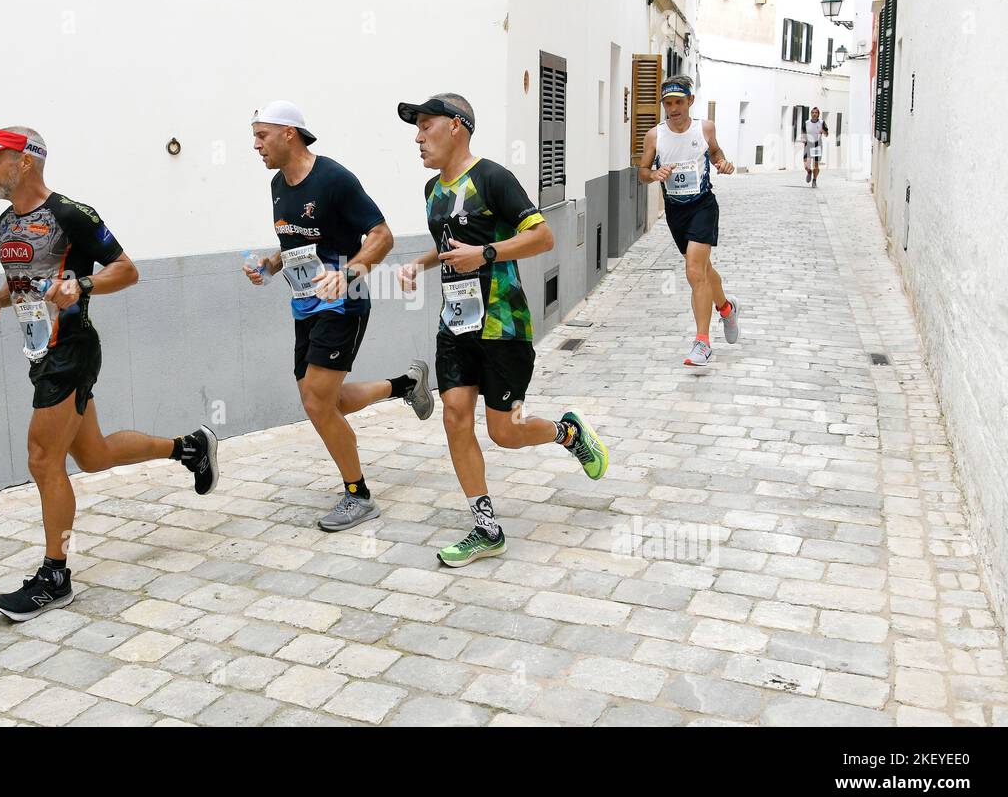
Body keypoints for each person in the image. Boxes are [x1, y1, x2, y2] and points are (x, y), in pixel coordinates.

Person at [0, 126, 217, 621]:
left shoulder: (71, 214)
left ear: (25, 162)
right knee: (95, 454)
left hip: (73, 349)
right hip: (41, 352)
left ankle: (54, 577)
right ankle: (189, 447)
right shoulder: (5, 220)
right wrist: (0, 298)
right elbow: (26, 279)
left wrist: (81, 285)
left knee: (43, 459)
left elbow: (126, 270)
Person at [396, 94, 608, 568]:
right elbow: (452, 246)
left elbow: (542, 236)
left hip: (503, 322)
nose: (417, 137)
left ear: (456, 127)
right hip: (456, 323)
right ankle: (485, 527)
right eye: (415, 128)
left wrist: (487, 255)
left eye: (425, 126)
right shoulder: (432, 189)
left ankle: (567, 433)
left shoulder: (494, 178)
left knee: (505, 433)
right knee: (454, 416)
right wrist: (420, 261)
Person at [244, 101, 434, 533]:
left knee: (315, 402)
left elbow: (382, 236)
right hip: (305, 306)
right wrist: (269, 266)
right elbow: (296, 244)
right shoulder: (279, 184)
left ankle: (358, 494)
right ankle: (404, 384)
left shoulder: (334, 179)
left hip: (344, 301)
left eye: (262, 135)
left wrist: (349, 272)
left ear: (289, 134)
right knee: (325, 402)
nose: (255, 145)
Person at [638, 77, 742, 366]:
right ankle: (725, 308)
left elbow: (716, 152)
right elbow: (642, 171)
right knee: (704, 269)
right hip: (676, 211)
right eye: (668, 103)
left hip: (703, 205)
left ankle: (702, 343)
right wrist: (654, 175)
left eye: (678, 102)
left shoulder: (704, 128)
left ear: (690, 101)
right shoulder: (654, 136)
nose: (673, 109)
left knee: (694, 271)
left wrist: (723, 163)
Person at [802, 107, 828, 188]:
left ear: (818, 114)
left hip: (817, 145)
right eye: (812, 112)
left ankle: (814, 180)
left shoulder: (822, 122)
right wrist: (803, 138)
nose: (814, 114)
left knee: (816, 166)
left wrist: (823, 131)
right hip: (808, 145)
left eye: (816, 113)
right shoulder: (806, 123)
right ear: (811, 114)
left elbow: (827, 134)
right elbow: (803, 132)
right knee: (806, 165)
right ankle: (809, 172)